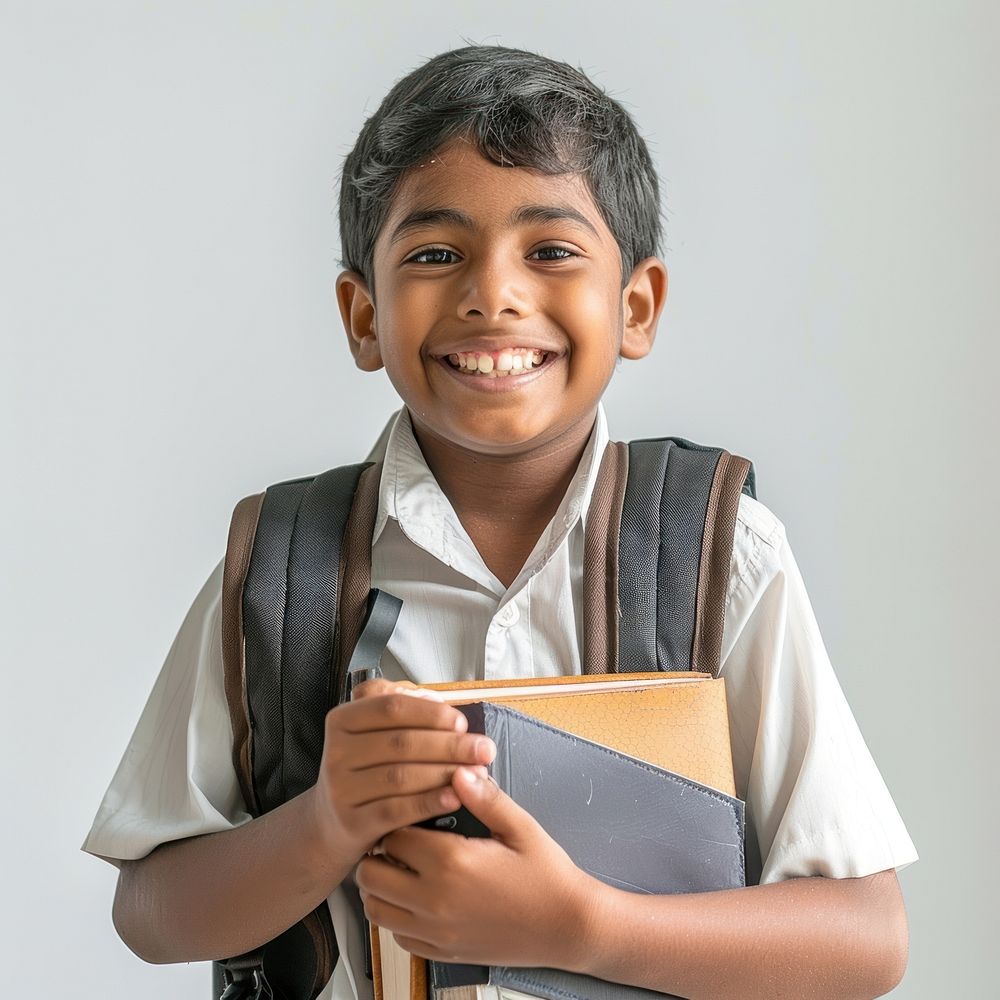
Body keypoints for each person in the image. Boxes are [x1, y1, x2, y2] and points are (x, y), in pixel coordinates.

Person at [83, 44, 918, 1000]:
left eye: (551, 251)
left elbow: (865, 939)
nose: (493, 294)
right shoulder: (280, 566)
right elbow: (149, 913)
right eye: (436, 254)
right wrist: (324, 825)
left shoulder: (721, 554)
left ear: (635, 306)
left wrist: (582, 928)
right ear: (362, 316)